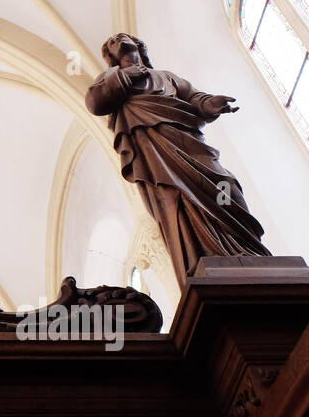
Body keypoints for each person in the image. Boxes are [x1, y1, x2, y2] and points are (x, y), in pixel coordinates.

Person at [85, 33, 270, 284]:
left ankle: (247, 249)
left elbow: (194, 99)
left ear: (139, 45)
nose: (116, 39)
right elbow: (96, 102)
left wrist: (210, 104)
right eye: (111, 42)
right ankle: (202, 260)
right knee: (178, 201)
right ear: (110, 56)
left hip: (189, 142)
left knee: (226, 186)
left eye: (122, 36)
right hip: (156, 154)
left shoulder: (166, 77)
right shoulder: (110, 78)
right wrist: (125, 77)